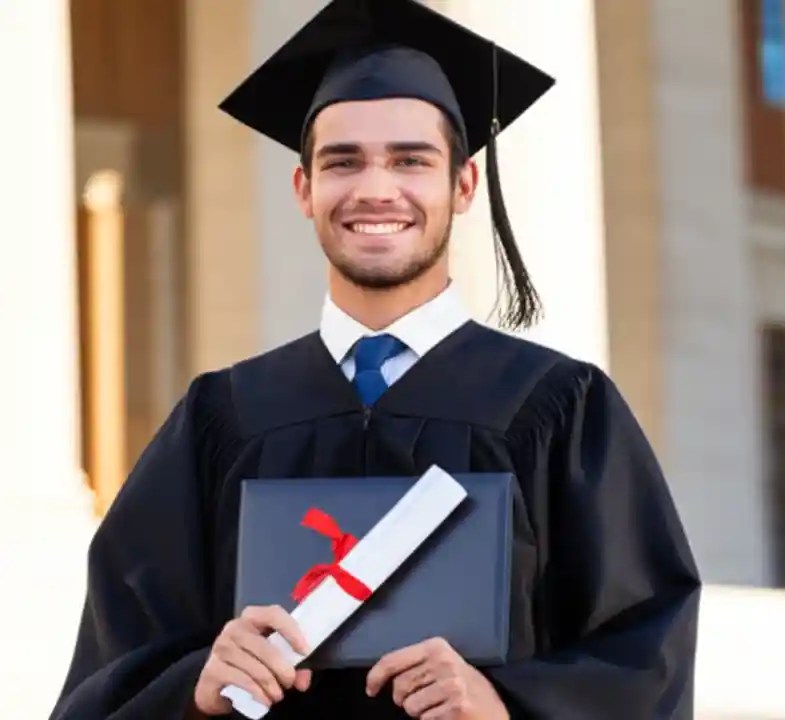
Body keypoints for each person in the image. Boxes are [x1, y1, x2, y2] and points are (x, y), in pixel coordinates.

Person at [50, 0, 701, 718]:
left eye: (410, 161)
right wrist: (194, 686)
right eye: (343, 162)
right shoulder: (225, 417)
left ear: (462, 186)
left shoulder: (558, 406)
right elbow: (115, 660)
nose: (375, 190)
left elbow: (644, 654)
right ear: (304, 189)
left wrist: (505, 703)